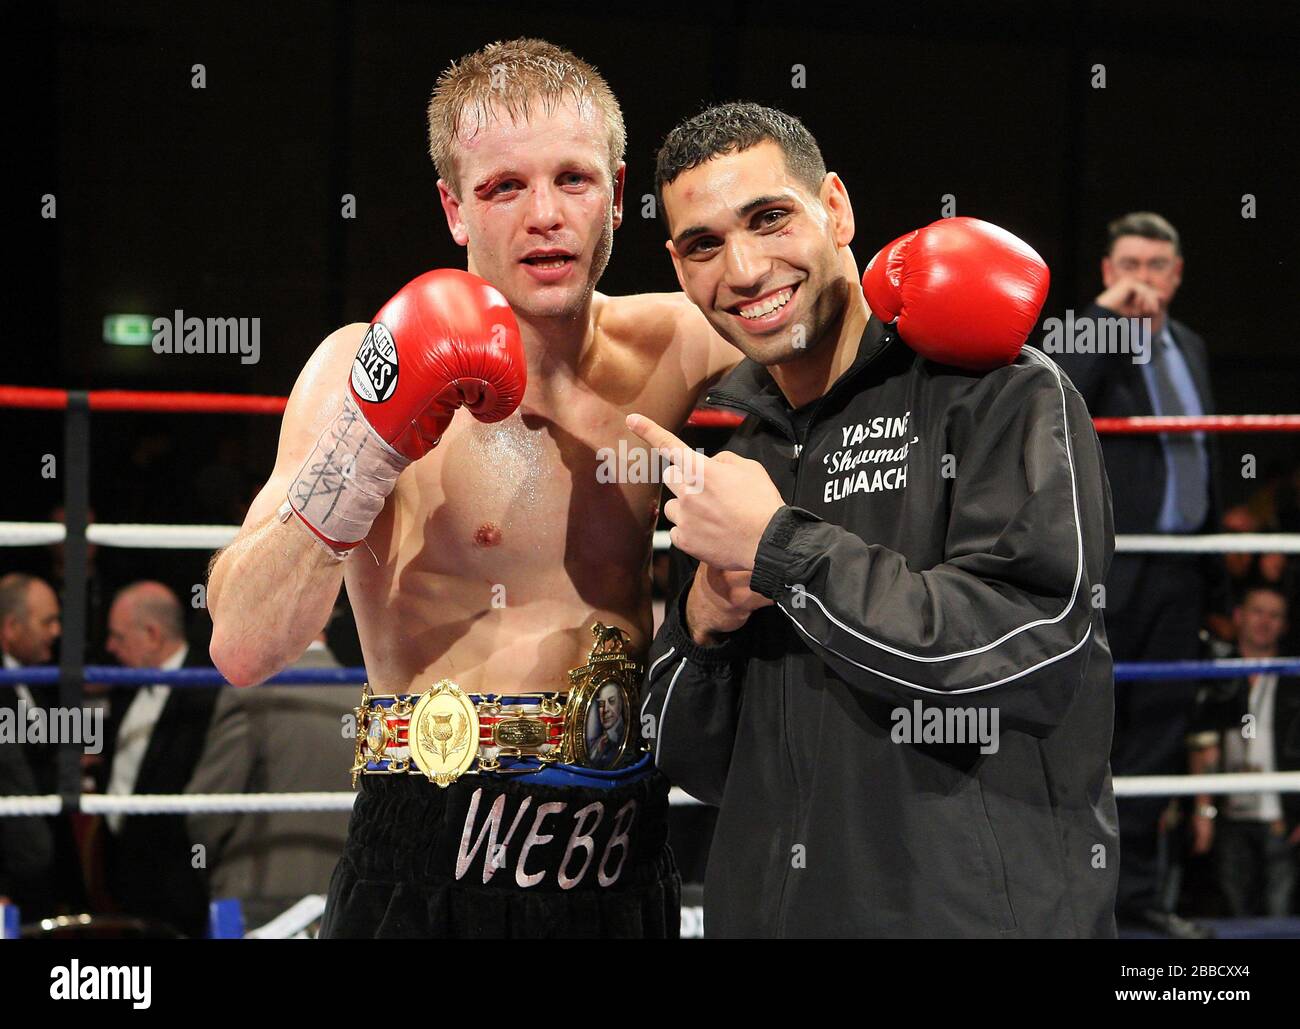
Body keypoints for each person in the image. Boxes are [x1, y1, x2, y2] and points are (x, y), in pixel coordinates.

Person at [206, 38, 738, 939]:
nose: (545, 217)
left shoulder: (680, 343)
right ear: (454, 207)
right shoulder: (354, 363)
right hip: (429, 854)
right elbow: (244, 644)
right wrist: (369, 441)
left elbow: (838, 331)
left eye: (572, 180)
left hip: (625, 859)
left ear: (615, 193)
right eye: (503, 187)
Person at [634, 102, 1119, 938]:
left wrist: (781, 548)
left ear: (837, 208)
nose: (744, 268)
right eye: (705, 244)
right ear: (679, 267)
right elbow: (703, 763)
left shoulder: (1000, 390)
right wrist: (703, 624)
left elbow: (1030, 649)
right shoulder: (740, 457)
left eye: (769, 217)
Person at [1050, 212, 1218, 936]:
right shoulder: (1095, 339)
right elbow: (1053, 391)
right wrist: (1101, 319)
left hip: (1183, 568)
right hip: (1113, 568)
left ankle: (1140, 897)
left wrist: (1219, 575)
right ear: (1107, 271)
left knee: (1160, 727)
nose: (1142, 277)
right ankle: (1077, 897)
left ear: (1176, 275)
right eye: (1128, 264)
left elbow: (1203, 461)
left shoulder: (1192, 345)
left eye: (1155, 265)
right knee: (1096, 726)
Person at [186, 625, 354, 928]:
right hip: (345, 896)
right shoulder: (366, 695)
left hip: (257, 895)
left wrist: (207, 866)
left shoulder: (253, 694)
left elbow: (207, 810)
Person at [102, 581, 218, 937]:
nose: (109, 647)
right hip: (124, 871)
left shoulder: (208, 690)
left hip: (179, 882)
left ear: (152, 634)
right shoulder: (127, 685)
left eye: (118, 636)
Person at [1188, 583, 1300, 916]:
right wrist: (1203, 811)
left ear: (1284, 625)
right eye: (1257, 612)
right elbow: (1202, 742)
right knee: (1234, 916)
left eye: (1274, 615)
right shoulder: (1219, 675)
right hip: (1230, 815)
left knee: (1281, 918)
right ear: (1239, 616)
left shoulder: (1295, 678)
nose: (1265, 621)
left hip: (1281, 816)